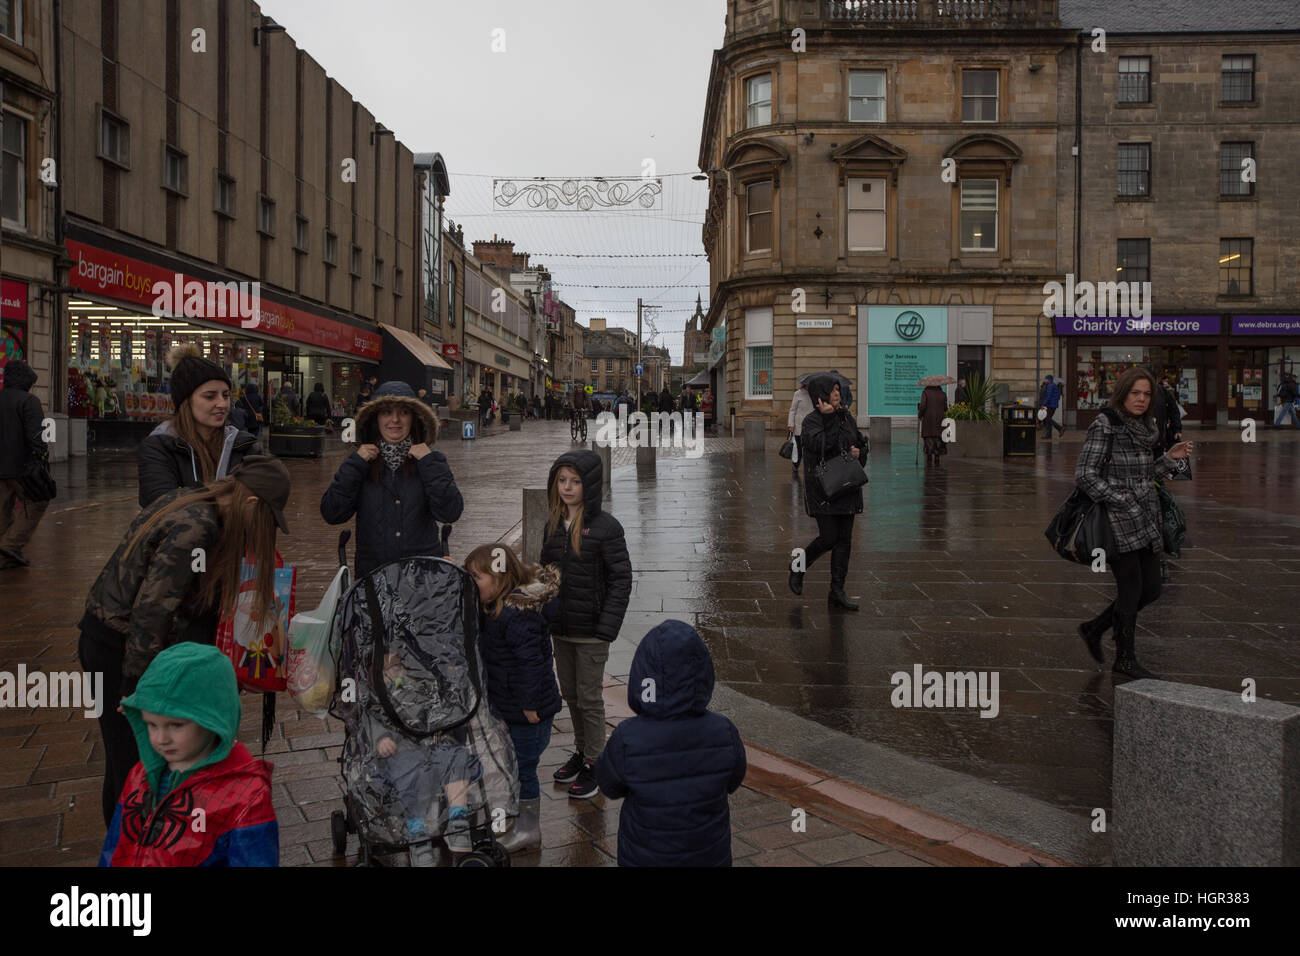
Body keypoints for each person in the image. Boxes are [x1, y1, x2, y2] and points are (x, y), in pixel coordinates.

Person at [80, 456, 290, 826]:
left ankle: (127, 845)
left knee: (125, 762)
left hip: (115, 642)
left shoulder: (197, 500)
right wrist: (135, 693)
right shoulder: (198, 528)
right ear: (254, 503)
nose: (264, 530)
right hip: (118, 650)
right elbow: (152, 613)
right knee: (135, 765)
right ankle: (133, 847)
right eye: (268, 519)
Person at [99, 643, 278, 866]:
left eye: (176, 725)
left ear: (213, 721)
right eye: (152, 725)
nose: (161, 739)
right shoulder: (140, 776)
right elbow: (115, 848)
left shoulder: (244, 797)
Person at [595, 620, 746, 867]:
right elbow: (733, 779)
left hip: (647, 855)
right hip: (708, 854)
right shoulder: (723, 731)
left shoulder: (628, 737)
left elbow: (609, 784)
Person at [1075, 367, 1193, 680]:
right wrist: (1121, 498)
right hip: (1117, 520)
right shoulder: (1106, 424)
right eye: (1135, 393)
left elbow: (1146, 475)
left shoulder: (1148, 426)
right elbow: (1085, 475)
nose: (1140, 399)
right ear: (1123, 393)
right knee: (1131, 588)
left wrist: (1169, 457)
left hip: (1146, 518)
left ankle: (1095, 628)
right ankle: (1125, 660)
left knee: (1152, 589)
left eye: (1146, 394)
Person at [539, 450, 632, 799]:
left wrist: (606, 627)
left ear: (588, 485)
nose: (567, 487)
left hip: (591, 631)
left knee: (590, 698)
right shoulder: (552, 524)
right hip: (561, 628)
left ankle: (596, 760)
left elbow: (621, 579)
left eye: (574, 481)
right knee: (571, 695)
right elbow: (544, 574)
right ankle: (582, 751)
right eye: (562, 480)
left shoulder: (606, 527)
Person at [466, 545, 562, 853]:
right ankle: (508, 821)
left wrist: (530, 704)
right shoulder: (492, 606)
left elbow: (532, 663)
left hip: (529, 713)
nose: (471, 583)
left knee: (523, 768)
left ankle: (529, 828)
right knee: (510, 766)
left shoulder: (518, 615)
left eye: (476, 576)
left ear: (499, 577)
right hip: (511, 707)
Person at [320, 381, 463, 578]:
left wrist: (429, 464)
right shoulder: (362, 464)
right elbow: (332, 512)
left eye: (403, 412)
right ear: (375, 418)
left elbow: (450, 512)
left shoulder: (430, 461)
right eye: (386, 412)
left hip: (423, 582)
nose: (395, 420)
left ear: (414, 418)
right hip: (374, 581)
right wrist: (354, 465)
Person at [368, 652, 482, 859]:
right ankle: (417, 831)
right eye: (385, 673)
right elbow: (371, 722)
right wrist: (381, 738)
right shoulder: (376, 699)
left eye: (396, 669)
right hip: (403, 752)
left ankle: (458, 819)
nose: (392, 676)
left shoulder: (420, 687)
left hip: (435, 744)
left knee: (456, 756)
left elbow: (441, 708)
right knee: (413, 771)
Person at [138, 347, 262, 508]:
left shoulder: (244, 446)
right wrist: (226, 501)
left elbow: (260, 499)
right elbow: (163, 505)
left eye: (225, 395)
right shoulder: (159, 447)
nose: (222, 404)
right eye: (210, 396)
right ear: (186, 401)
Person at [790, 375, 862, 610]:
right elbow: (822, 446)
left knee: (845, 542)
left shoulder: (846, 417)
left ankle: (837, 591)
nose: (837, 394)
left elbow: (860, 442)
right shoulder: (812, 421)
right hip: (824, 490)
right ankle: (797, 567)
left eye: (838, 390)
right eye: (832, 390)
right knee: (829, 538)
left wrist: (859, 451)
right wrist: (830, 418)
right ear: (820, 395)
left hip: (847, 487)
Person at [0, 360, 51, 570]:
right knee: (38, 502)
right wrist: (41, 464)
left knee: (2, 508)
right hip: (20, 468)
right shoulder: (29, 402)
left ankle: (5, 552)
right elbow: (37, 438)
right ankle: (9, 546)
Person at [787, 376, 814, 478]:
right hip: (799, 425)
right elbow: (792, 410)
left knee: (809, 447)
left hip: (811, 426)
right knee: (798, 447)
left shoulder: (814, 394)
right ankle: (796, 464)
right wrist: (791, 424)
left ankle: (809, 465)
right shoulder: (797, 394)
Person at [918, 384, 948, 468]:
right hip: (940, 419)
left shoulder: (925, 393)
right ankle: (937, 457)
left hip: (928, 419)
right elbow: (946, 408)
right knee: (938, 437)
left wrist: (920, 415)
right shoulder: (943, 394)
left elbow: (923, 406)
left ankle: (929, 457)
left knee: (929, 437)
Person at [1041, 375, 1065, 439]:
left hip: (1050, 405)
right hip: (1053, 404)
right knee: (1048, 419)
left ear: (1048, 379)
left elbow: (1048, 396)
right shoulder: (1052, 385)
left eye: (1045, 379)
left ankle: (1060, 428)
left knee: (1047, 418)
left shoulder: (1050, 385)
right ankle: (1048, 435)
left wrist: (1044, 404)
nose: (1045, 380)